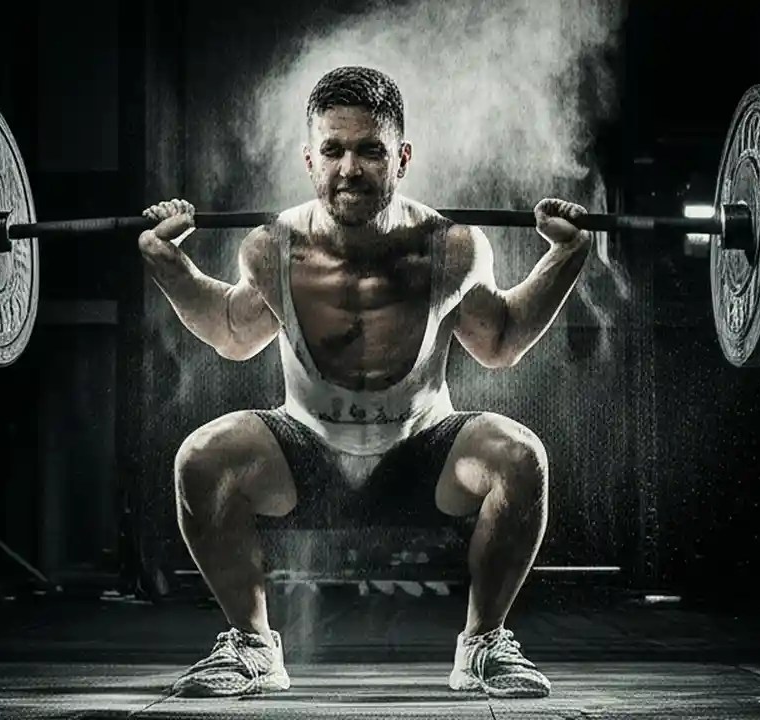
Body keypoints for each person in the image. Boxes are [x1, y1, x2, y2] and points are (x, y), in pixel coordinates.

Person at [137, 65, 593, 699]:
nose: (349, 168)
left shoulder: (451, 249)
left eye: (369, 150)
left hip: (422, 450)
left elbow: (501, 341)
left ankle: (483, 646)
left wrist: (565, 257)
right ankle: (252, 646)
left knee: (521, 458)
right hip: (307, 451)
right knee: (201, 458)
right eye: (333, 150)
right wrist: (169, 264)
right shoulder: (272, 249)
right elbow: (231, 334)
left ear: (401, 157)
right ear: (309, 159)